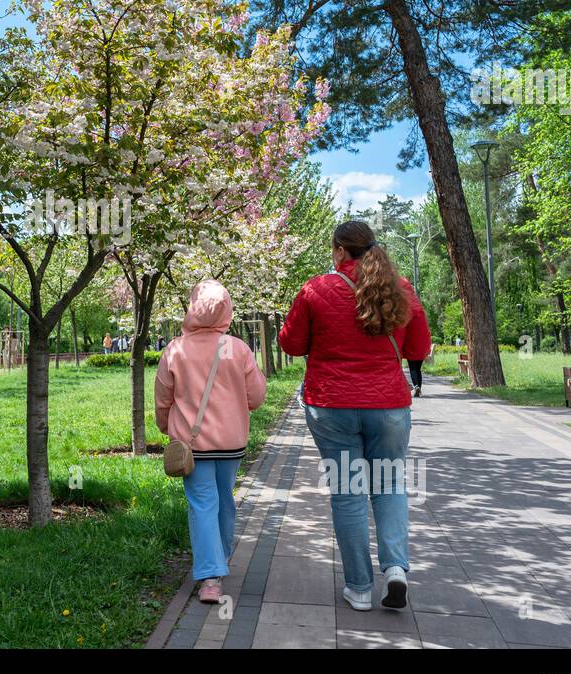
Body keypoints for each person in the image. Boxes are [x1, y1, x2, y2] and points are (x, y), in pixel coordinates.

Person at [278, 221, 431, 612]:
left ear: (340, 251)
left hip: (332, 405)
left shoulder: (316, 289)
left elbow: (292, 344)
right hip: (389, 406)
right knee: (389, 485)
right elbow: (418, 347)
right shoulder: (402, 289)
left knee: (347, 495)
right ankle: (396, 568)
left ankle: (360, 588)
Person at [155, 280, 268, 605]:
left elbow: (163, 401)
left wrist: (168, 429)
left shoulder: (175, 349)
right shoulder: (237, 348)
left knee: (202, 504)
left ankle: (209, 578)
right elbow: (257, 397)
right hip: (231, 444)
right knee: (224, 500)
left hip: (193, 447)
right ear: (226, 310)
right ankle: (220, 558)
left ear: (192, 308)